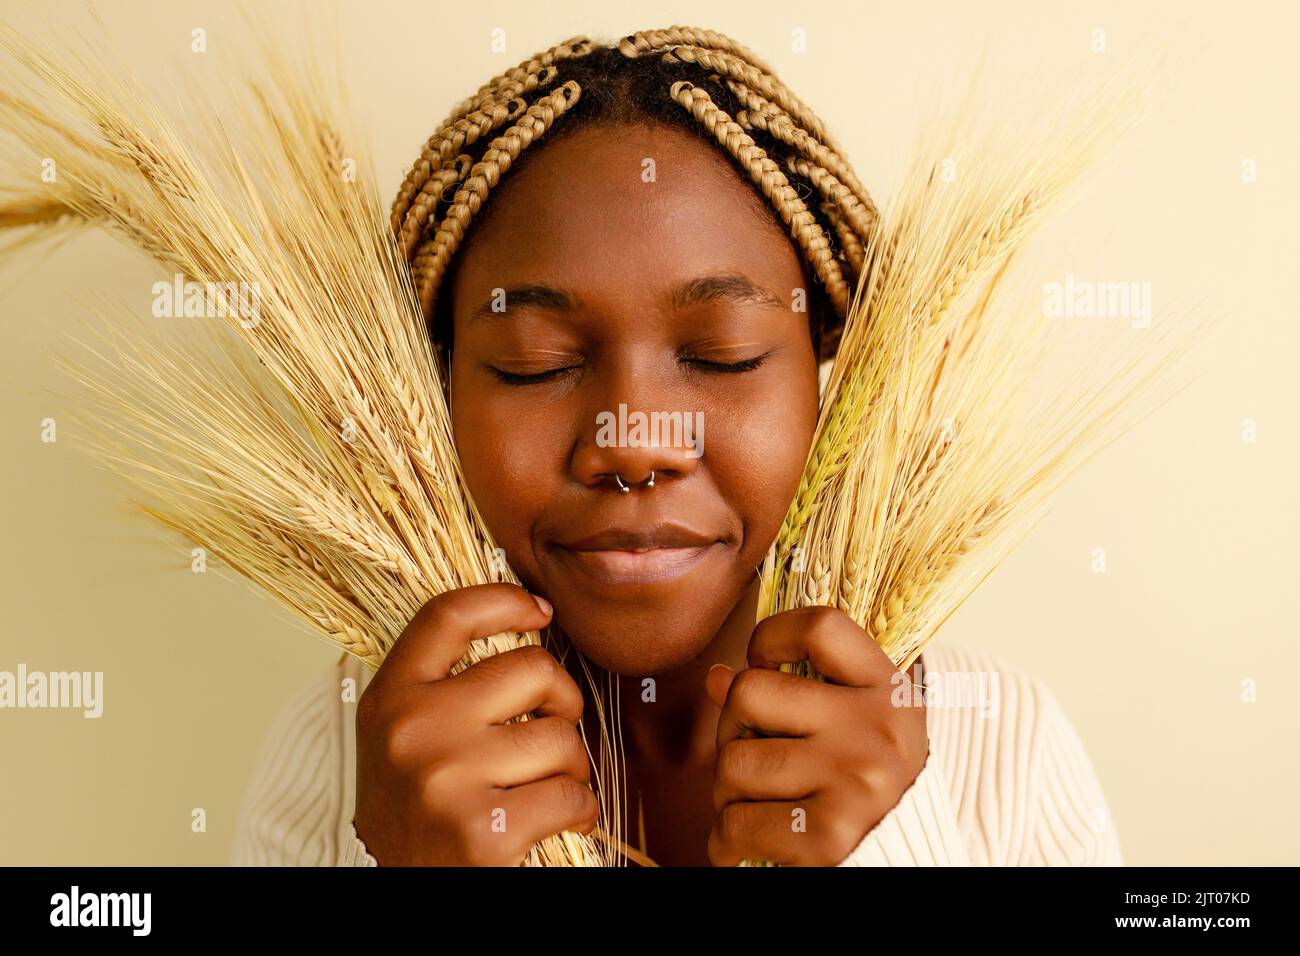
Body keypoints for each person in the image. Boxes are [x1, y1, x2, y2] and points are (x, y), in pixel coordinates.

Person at [231, 26, 1123, 867]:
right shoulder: (357, 750)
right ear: (432, 396)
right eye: (534, 365)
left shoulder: (996, 740)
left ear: (829, 386)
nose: (633, 444)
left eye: (720, 355)